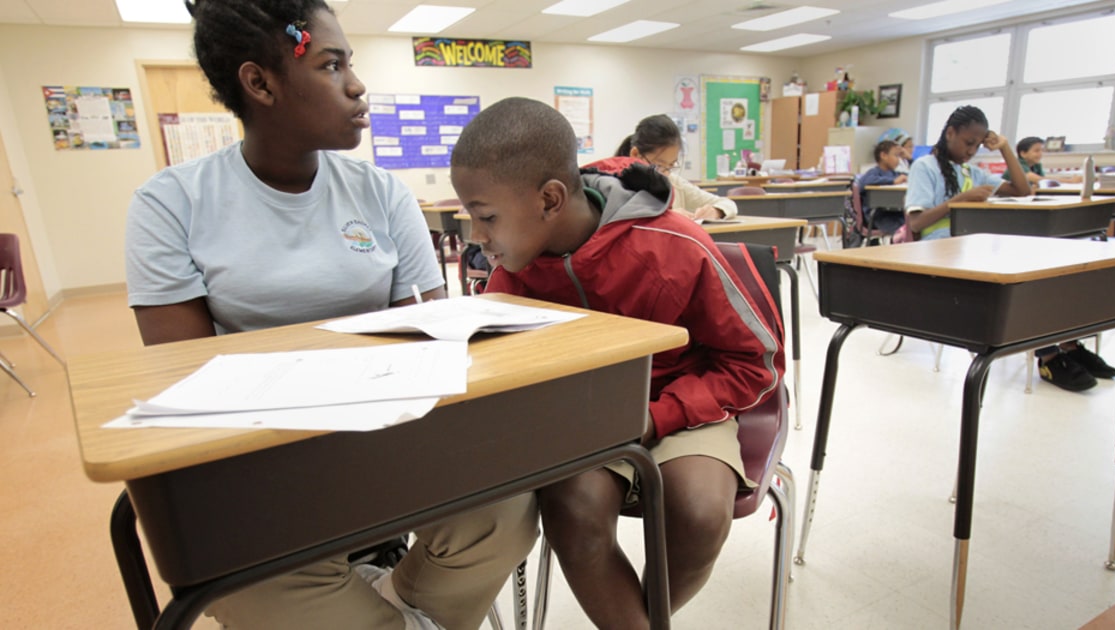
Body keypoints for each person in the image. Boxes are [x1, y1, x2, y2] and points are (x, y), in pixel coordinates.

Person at [124, 1, 536, 628]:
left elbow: (432, 339)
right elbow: (184, 377)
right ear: (259, 84)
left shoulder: (381, 192)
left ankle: (390, 600)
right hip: (259, 458)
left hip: (387, 438)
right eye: (331, 64)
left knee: (505, 509)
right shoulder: (172, 204)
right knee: (235, 573)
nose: (357, 84)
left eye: (351, 64)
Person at [450, 97, 783, 629]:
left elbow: (755, 362)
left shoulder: (676, 243)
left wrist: (660, 416)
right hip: (587, 420)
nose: (477, 237)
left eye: (486, 217)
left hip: (684, 401)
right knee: (574, 515)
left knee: (699, 512)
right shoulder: (512, 271)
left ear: (551, 199)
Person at [1002, 136, 1115, 390]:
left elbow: (1022, 190)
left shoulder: (971, 169)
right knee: (1032, 277)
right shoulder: (933, 168)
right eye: (1036, 150)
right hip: (973, 241)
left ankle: (1069, 344)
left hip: (1002, 232)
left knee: (1063, 270)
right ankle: (1049, 356)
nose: (1040, 154)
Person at [904, 105, 1032, 241]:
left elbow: (1022, 191)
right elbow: (916, 223)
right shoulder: (925, 166)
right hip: (937, 247)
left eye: (977, 146)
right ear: (950, 133)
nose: (971, 151)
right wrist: (962, 199)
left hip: (969, 245)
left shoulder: (972, 172)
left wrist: (1004, 147)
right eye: (968, 143)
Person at [616, 114, 738, 220]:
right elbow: (624, 222)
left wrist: (716, 211)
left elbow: (727, 203)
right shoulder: (616, 186)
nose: (663, 174)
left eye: (670, 166)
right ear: (635, 155)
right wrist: (668, 218)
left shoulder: (674, 182)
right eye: (658, 166)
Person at [857, 139, 909, 234]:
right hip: (878, 215)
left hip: (894, 212)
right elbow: (863, 182)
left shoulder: (895, 173)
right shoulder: (874, 172)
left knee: (912, 224)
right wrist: (892, 181)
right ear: (883, 156)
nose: (898, 160)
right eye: (896, 155)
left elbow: (913, 175)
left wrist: (909, 158)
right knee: (902, 230)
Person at [1002, 136, 1083, 187]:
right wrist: (1071, 181)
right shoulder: (1017, 165)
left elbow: (1044, 183)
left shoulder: (1036, 165)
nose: (1040, 154)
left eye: (1042, 150)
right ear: (1023, 153)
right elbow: (1041, 180)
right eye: (1036, 151)